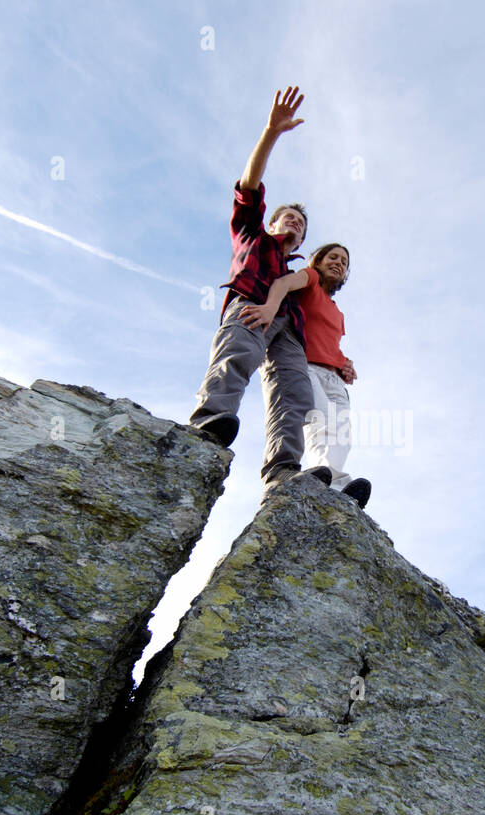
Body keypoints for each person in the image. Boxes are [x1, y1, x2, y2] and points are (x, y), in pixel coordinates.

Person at [189, 86, 330, 489]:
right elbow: (249, 186)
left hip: (290, 329)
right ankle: (208, 424)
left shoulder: (298, 277)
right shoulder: (252, 234)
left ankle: (282, 471)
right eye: (288, 218)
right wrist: (271, 133)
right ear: (272, 223)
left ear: (302, 243)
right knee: (237, 356)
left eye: (300, 225)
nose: (294, 224)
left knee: (296, 395)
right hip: (252, 301)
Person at [244, 243, 372, 508]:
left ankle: (335, 485)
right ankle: (319, 477)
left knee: (342, 434)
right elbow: (281, 284)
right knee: (319, 421)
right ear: (319, 261)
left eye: (344, 262)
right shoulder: (310, 279)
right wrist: (268, 308)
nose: (338, 263)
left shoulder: (338, 312)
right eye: (332, 257)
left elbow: (329, 342)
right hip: (304, 365)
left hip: (334, 377)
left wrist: (345, 363)